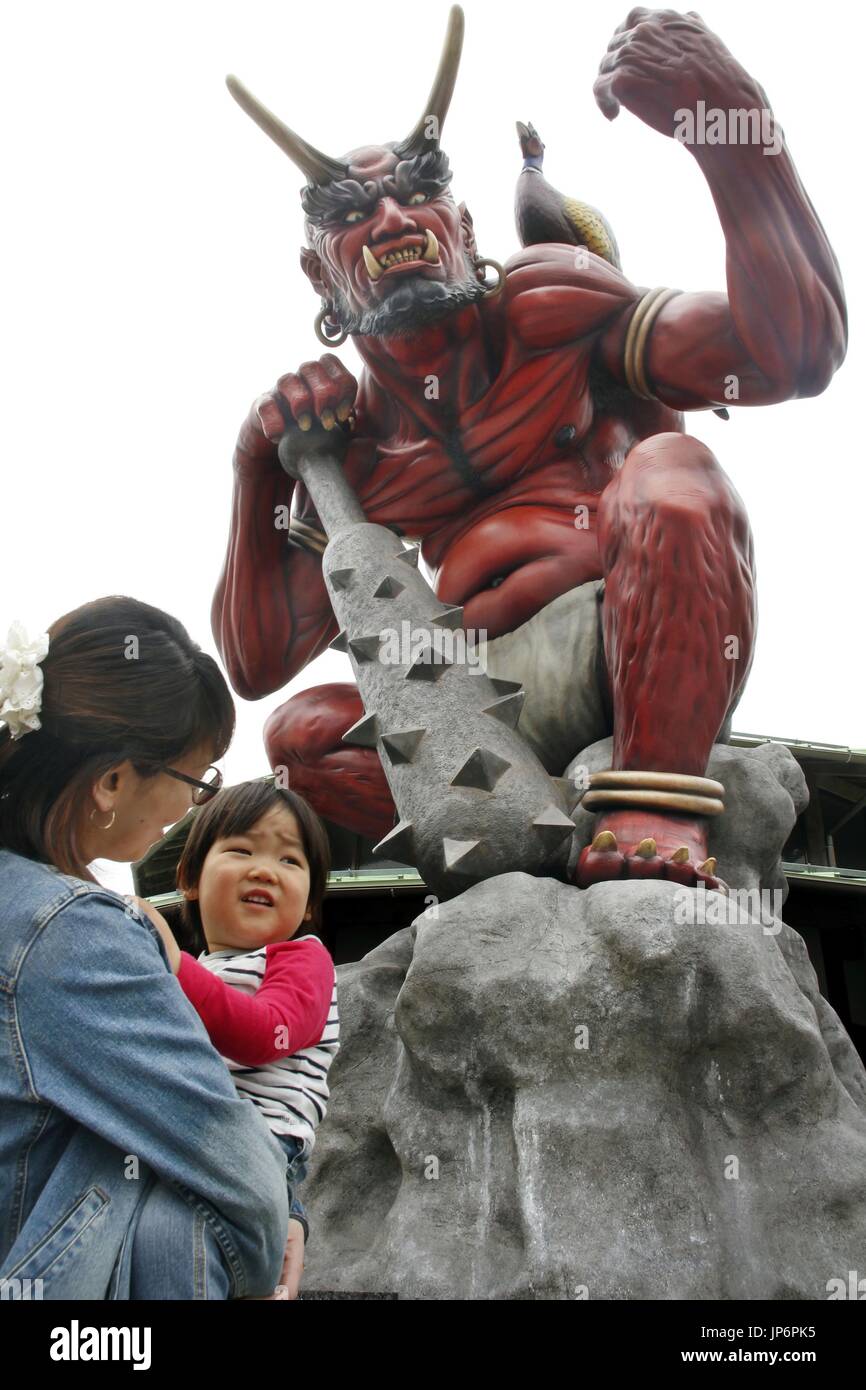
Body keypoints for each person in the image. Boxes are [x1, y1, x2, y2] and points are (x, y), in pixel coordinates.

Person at [0, 597, 306, 1299]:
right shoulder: (71, 934)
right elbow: (240, 1174)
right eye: (196, 782)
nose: (186, 810)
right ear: (112, 781)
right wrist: (279, 1219)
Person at [131, 779, 339, 1299]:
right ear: (189, 878)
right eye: (241, 849)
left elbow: (263, 1034)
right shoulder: (192, 971)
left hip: (260, 1143)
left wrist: (172, 963)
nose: (265, 869)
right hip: (180, 1139)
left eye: (290, 861)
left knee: (179, 1237)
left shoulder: (302, 959)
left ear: (310, 903)